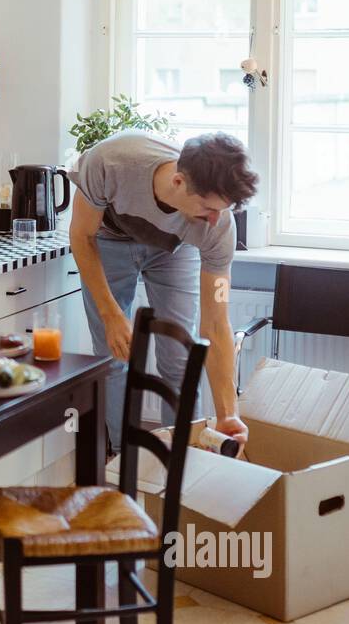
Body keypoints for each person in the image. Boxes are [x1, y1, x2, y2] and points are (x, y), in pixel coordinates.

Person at [68, 130, 259, 455]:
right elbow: (81, 236)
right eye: (208, 209)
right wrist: (111, 314)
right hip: (107, 240)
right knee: (114, 356)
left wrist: (228, 414)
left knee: (180, 356)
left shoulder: (219, 227)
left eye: (222, 210)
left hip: (174, 250)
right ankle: (123, 460)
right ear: (179, 182)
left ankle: (185, 459)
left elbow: (216, 325)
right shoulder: (111, 161)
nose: (215, 221)